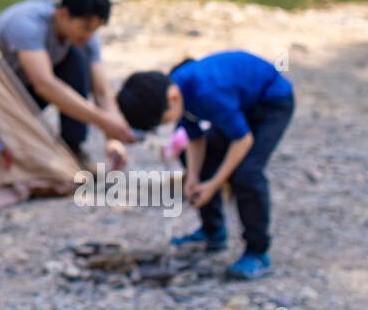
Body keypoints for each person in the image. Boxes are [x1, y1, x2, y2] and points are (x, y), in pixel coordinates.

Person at [114, 51, 295, 281]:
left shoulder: (209, 93)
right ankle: (213, 232)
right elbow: (195, 136)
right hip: (238, 106)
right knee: (197, 161)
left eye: (163, 121)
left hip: (270, 104)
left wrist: (213, 184)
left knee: (247, 173)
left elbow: (243, 140)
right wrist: (193, 177)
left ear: (172, 100)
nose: (166, 125)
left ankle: (257, 252)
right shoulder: (176, 90)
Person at [0, 0, 136, 170]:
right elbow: (44, 84)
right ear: (63, 14)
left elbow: (102, 91)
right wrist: (103, 121)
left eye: (95, 30)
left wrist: (114, 138)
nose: (89, 35)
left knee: (76, 59)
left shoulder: (85, 37)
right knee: (74, 60)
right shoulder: (27, 23)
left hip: (26, 93)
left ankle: (73, 149)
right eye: (86, 27)